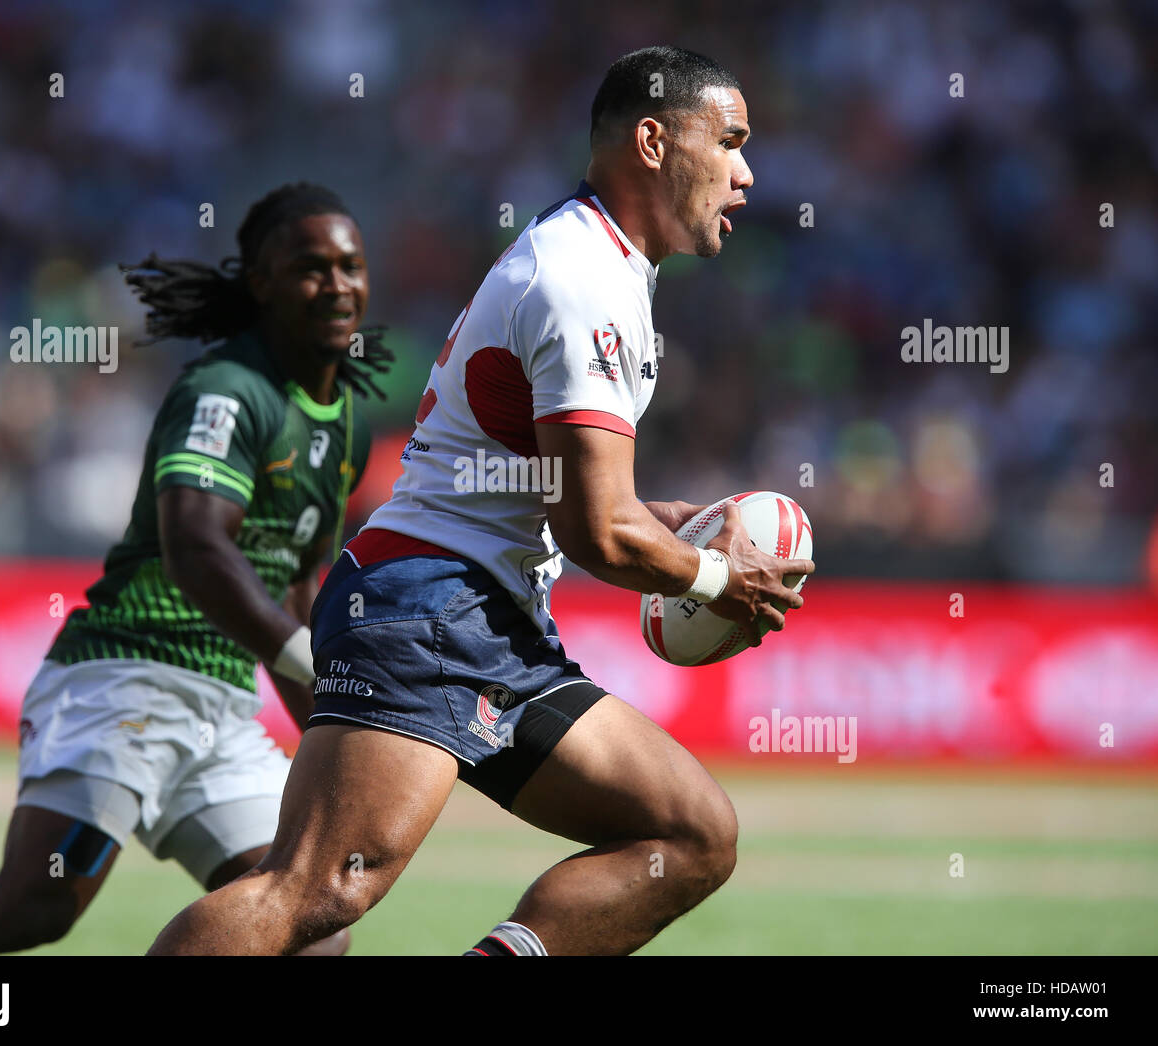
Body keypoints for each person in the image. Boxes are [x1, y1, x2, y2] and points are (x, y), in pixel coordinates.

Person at [149, 46, 812, 957]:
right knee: (315, 893)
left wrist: (669, 522)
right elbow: (595, 532)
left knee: (691, 834)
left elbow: (556, 489)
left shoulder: (605, 264)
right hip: (426, 606)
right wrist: (711, 576)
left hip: (482, 616)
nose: (747, 173)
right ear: (654, 140)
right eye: (730, 142)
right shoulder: (582, 279)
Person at [0, 182, 389, 956]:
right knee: (33, 908)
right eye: (311, 267)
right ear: (261, 283)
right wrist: (298, 652)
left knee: (309, 933)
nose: (338, 284)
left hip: (218, 707)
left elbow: (298, 580)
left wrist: (331, 719)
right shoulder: (225, 392)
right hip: (121, 681)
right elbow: (197, 546)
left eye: (351, 265)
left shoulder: (347, 422)